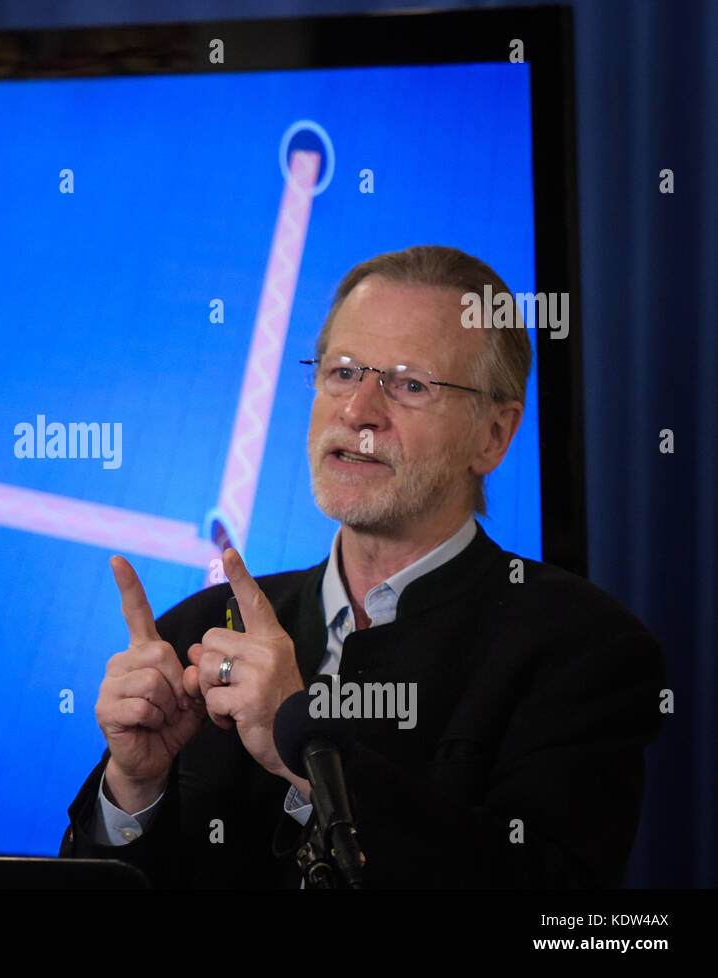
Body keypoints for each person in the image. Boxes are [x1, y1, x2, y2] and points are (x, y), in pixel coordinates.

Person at [58, 245, 665, 888]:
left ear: (493, 434)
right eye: (344, 373)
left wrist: (305, 759)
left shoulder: (586, 651)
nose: (359, 413)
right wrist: (133, 788)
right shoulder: (199, 630)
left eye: (410, 385)